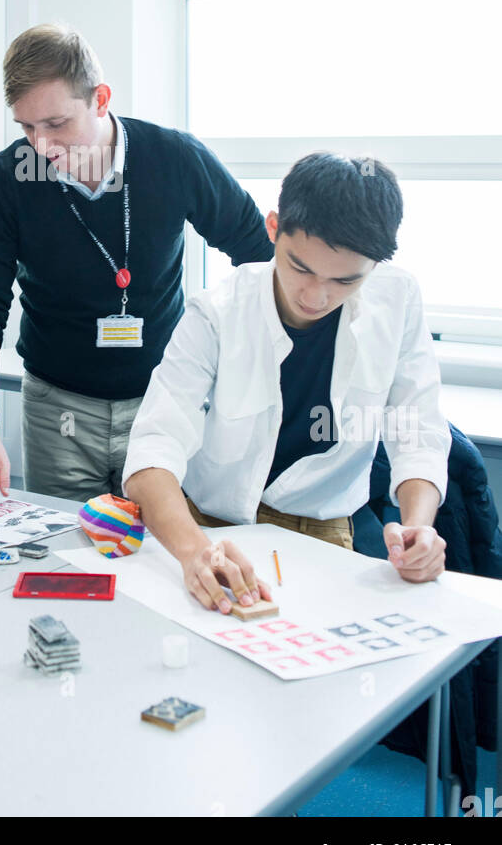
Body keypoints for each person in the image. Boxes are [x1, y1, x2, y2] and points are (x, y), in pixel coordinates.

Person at [0, 23, 273, 515]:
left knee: (164, 557)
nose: (41, 145)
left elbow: (257, 252)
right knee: (64, 549)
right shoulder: (5, 178)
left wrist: (232, 361)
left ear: (100, 99)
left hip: (164, 401)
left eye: (56, 123)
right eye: (25, 127)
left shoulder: (174, 157)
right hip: (57, 408)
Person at [122, 152, 450, 613]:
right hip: (210, 525)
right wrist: (195, 551)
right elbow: (154, 446)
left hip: (324, 525)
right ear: (273, 228)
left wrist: (419, 527)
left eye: (344, 280)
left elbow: (416, 428)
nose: (316, 296)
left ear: (374, 266)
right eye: (301, 268)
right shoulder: (216, 312)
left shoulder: (398, 299)